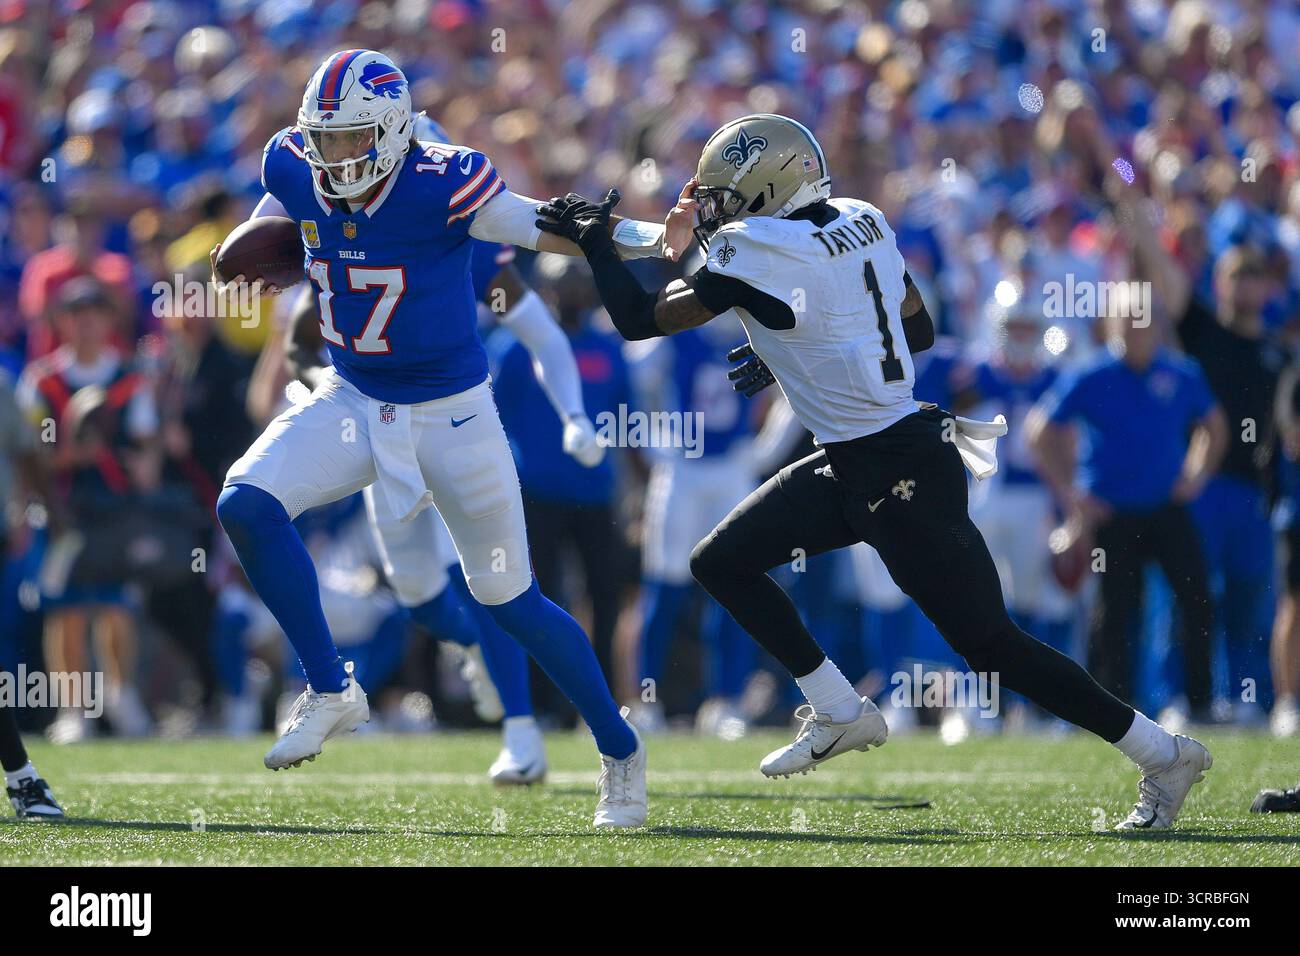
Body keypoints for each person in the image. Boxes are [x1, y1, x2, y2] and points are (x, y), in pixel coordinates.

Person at [539, 112, 1212, 831]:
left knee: (991, 644)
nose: (715, 208)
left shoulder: (753, 245)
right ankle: (837, 707)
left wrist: (593, 245)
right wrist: (791, 344)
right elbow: (913, 329)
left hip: (897, 472)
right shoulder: (862, 217)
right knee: (723, 561)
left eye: (726, 193)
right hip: (868, 455)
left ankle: (1162, 751)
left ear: (768, 189)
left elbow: (642, 318)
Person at [209, 50, 687, 828]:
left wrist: (650, 240)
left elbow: (538, 225)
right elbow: (282, 208)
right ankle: (331, 687)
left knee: (512, 599)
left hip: (454, 415)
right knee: (246, 503)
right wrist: (252, 243)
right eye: (323, 140)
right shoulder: (294, 164)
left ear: (395, 132)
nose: (334, 158)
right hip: (353, 396)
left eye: (352, 140)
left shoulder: (444, 180)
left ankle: (619, 747)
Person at [1028, 296, 1227, 723]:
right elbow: (1039, 430)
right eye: (1129, 322)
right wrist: (1071, 495)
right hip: (1112, 514)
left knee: (1197, 598)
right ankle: (1113, 709)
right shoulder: (1091, 373)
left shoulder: (1179, 372)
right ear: (1112, 326)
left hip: (1165, 507)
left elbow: (1216, 426)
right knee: (1115, 611)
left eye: (1144, 322)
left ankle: (1200, 701)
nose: (1137, 331)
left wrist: (1196, 475)